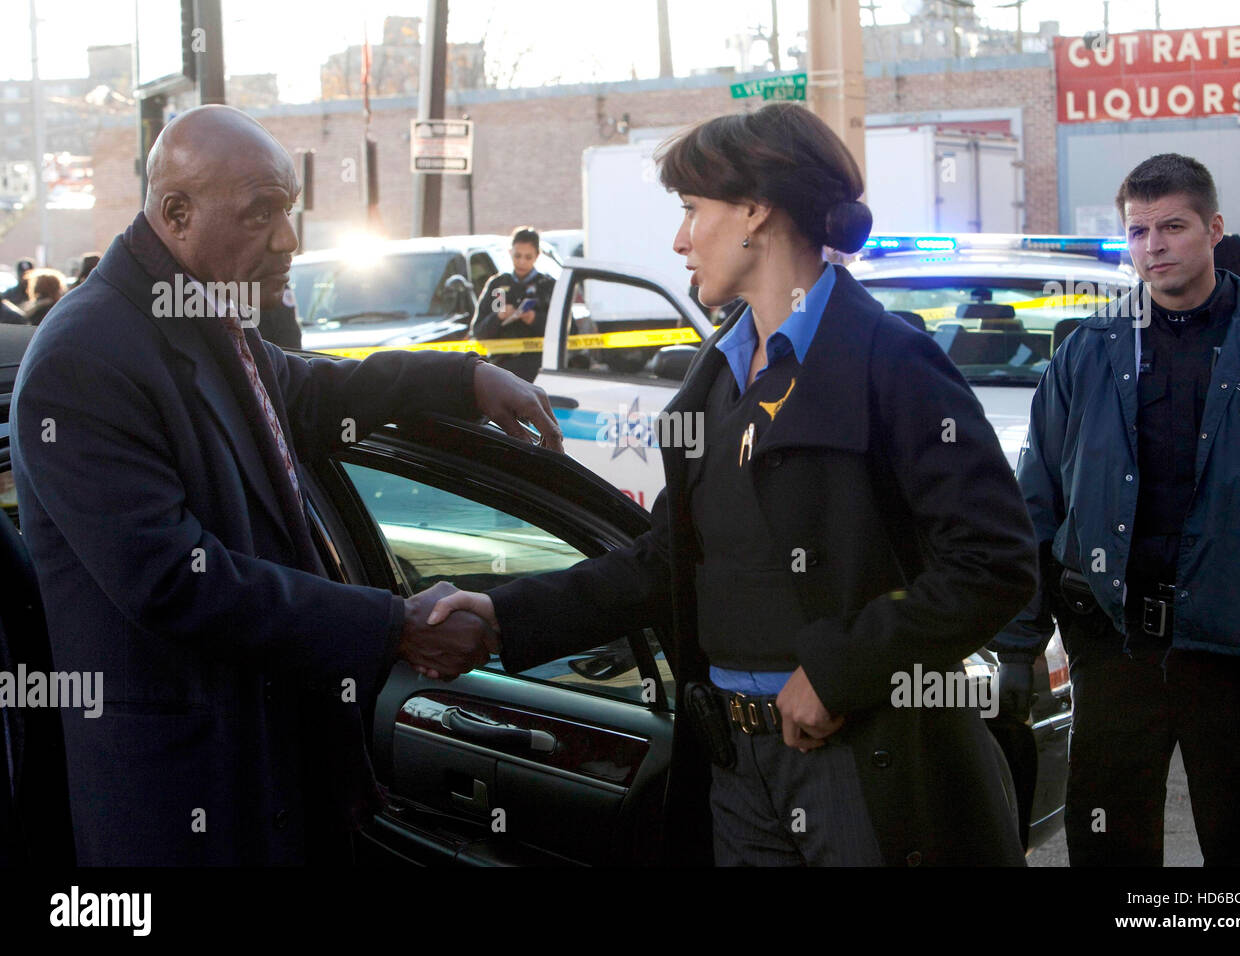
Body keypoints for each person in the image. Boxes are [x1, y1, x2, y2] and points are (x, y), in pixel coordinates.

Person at [428, 102, 1038, 866]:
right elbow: (666, 560)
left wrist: (842, 670)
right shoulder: (715, 370)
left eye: (691, 210)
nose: (680, 239)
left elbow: (995, 561)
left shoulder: (890, 359)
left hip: (863, 765)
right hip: (733, 767)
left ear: (755, 209)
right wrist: (498, 613)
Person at [10, 104, 562, 865]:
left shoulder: (197, 312)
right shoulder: (86, 357)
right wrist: (391, 624)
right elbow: (173, 580)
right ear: (176, 213)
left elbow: (309, 394)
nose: (288, 240)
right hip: (188, 803)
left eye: (290, 210)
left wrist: (465, 375)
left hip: (264, 781)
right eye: (260, 213)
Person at [992, 153, 1240, 866]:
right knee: (1109, 842)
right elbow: (1036, 502)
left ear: (1214, 229)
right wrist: (1017, 641)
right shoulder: (1088, 354)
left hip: (1239, 645)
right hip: (1115, 642)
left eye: (1172, 227)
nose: (1153, 247)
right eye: (1138, 231)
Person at [471, 226, 555, 383]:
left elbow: (568, 331)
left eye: (528, 257)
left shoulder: (547, 286)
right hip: (501, 369)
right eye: (517, 256)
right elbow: (479, 331)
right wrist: (498, 317)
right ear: (510, 253)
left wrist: (534, 319)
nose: (522, 262)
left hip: (538, 371)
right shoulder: (499, 286)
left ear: (537, 256)